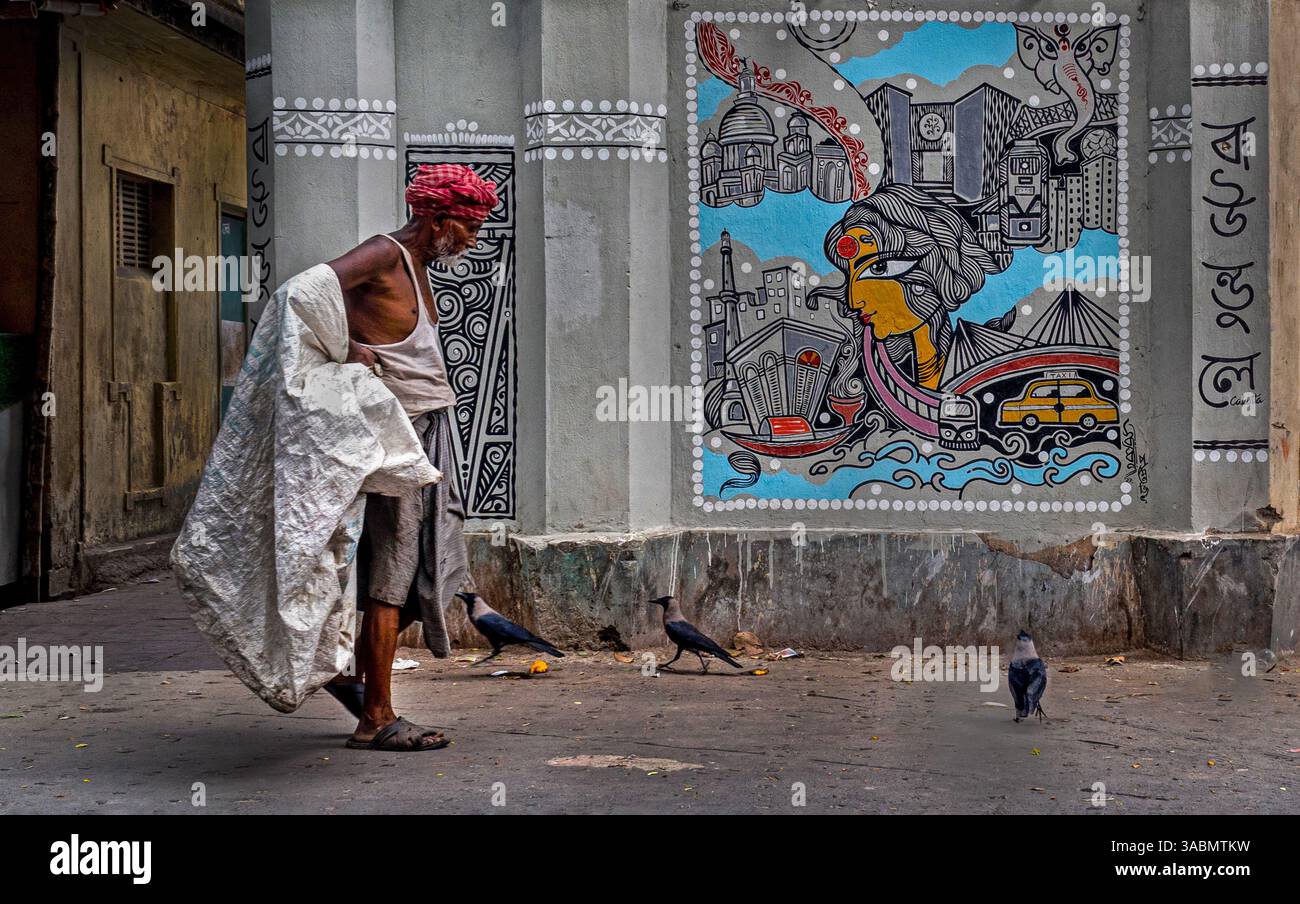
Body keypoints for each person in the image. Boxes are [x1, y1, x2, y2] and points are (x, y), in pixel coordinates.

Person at [323, 164, 499, 751]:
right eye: (469, 226)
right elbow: (303, 293)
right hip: (395, 444)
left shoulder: (416, 266)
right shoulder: (382, 253)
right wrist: (347, 348)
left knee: (392, 569)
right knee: (391, 575)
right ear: (438, 218)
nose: (472, 239)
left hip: (418, 436)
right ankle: (376, 716)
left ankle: (361, 690)